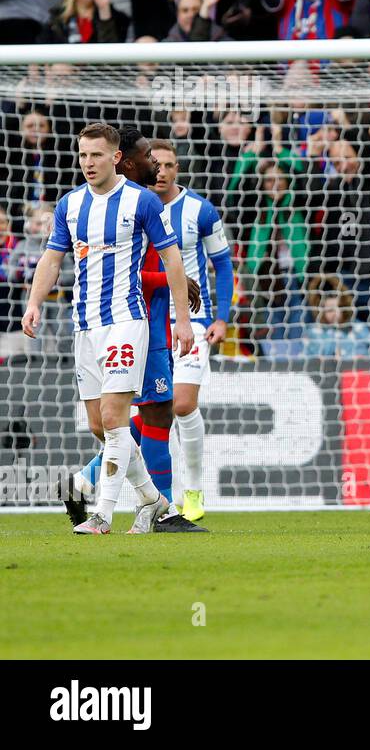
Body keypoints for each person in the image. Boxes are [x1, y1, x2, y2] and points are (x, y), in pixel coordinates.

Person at [21, 122, 196, 536]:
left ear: (116, 157)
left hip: (125, 321)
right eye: (82, 155)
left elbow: (172, 259)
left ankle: (102, 514)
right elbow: (51, 259)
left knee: (116, 417)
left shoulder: (141, 201)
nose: (88, 163)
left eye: (96, 155)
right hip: (84, 325)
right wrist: (32, 303)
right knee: (101, 426)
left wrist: (182, 321)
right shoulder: (70, 205)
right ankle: (154, 501)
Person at [65, 128, 206, 533]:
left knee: (138, 418)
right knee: (139, 416)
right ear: (125, 161)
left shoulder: (151, 205)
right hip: (134, 325)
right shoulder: (126, 208)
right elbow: (126, 276)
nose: (157, 167)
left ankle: (91, 483)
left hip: (150, 322)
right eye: (150, 158)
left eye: (165, 162)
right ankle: (154, 509)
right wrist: (170, 289)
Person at [149, 140, 234, 524]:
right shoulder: (135, 208)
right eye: (156, 166)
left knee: (182, 403)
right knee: (154, 411)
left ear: (178, 169)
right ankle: (154, 496)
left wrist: (223, 317)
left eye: (168, 165)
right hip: (147, 320)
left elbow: (223, 265)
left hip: (194, 321)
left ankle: (194, 490)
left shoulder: (200, 209)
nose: (162, 172)